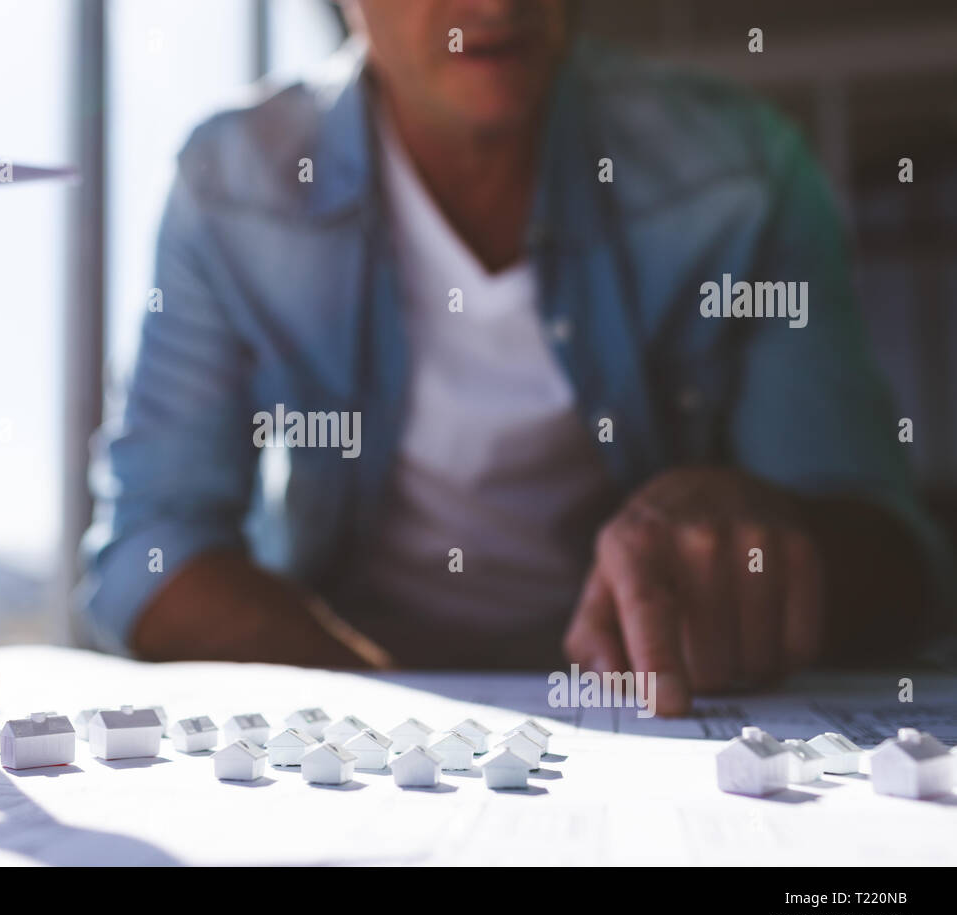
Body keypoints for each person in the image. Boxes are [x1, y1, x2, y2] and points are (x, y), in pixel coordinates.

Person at [80, 0, 953, 715]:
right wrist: (407, 712)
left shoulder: (745, 175)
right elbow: (150, 547)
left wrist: (765, 533)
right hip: (357, 692)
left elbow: (892, 557)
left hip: (658, 705)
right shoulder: (232, 187)